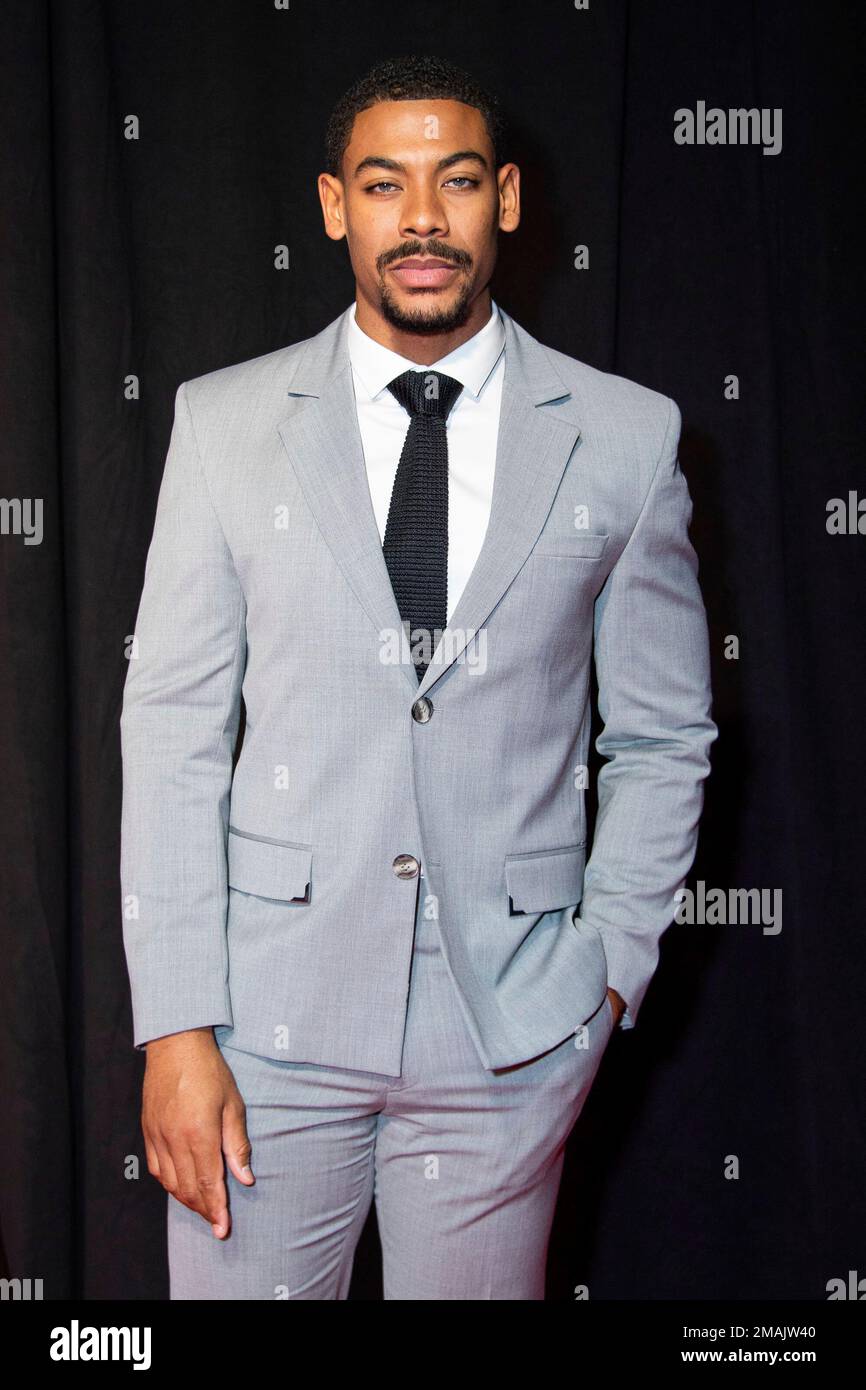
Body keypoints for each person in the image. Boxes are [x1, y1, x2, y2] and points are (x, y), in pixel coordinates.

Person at [120, 54, 718, 1300]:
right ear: (336, 207)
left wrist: (601, 980)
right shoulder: (224, 423)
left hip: (510, 1028)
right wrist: (174, 1025)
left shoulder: (625, 433)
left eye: (454, 182)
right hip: (261, 1028)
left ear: (503, 199)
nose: (422, 220)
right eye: (384, 185)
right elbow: (171, 729)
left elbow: (660, 739)